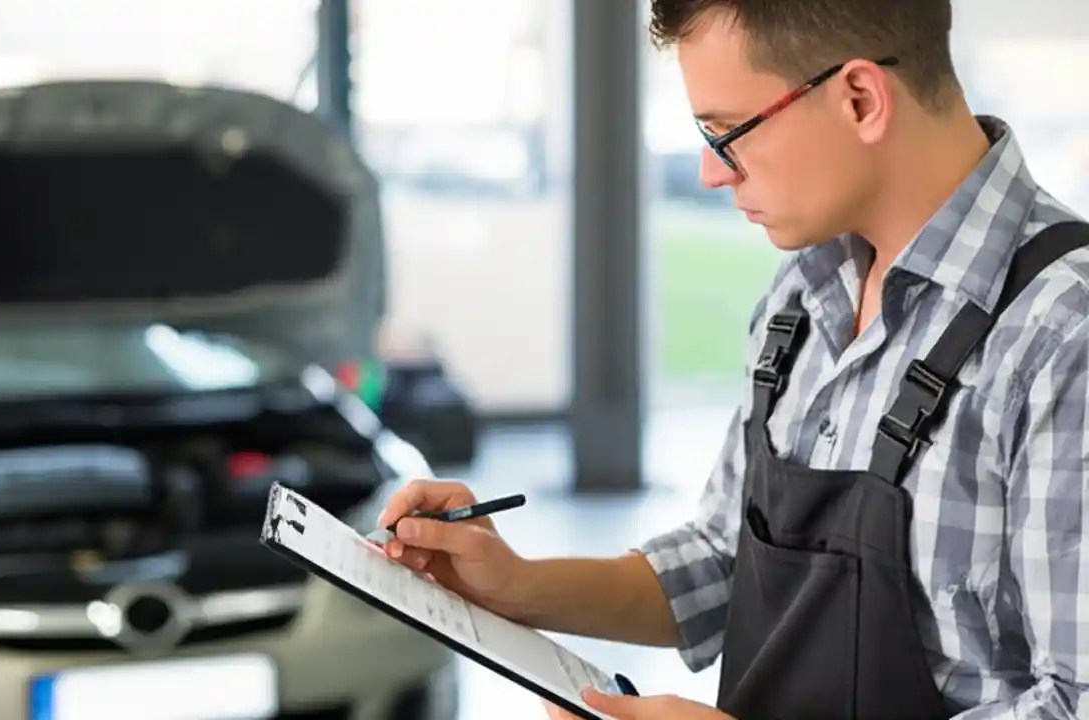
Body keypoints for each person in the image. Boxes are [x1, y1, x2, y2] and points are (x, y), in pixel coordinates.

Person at [375, 0, 1089, 718]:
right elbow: (726, 557)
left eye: (727, 134)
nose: (713, 174)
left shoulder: (1063, 336)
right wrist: (516, 586)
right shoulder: (804, 294)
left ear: (860, 99)